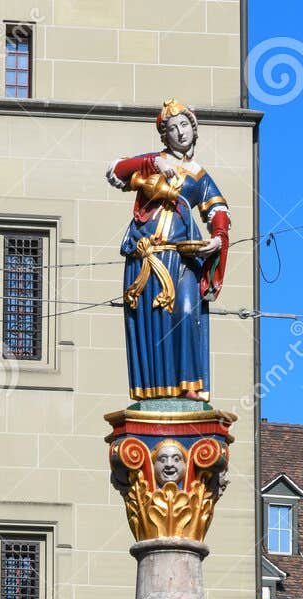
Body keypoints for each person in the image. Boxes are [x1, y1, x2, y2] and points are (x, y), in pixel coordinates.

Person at [107, 99, 230, 403]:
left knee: (187, 312)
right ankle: (152, 389)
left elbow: (217, 208)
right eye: (172, 128)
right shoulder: (154, 162)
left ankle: (188, 384)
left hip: (182, 255)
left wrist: (218, 236)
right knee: (149, 323)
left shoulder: (198, 175)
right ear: (165, 135)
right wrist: (151, 162)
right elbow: (116, 171)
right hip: (146, 254)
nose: (180, 132)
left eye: (184, 125)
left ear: (194, 129)